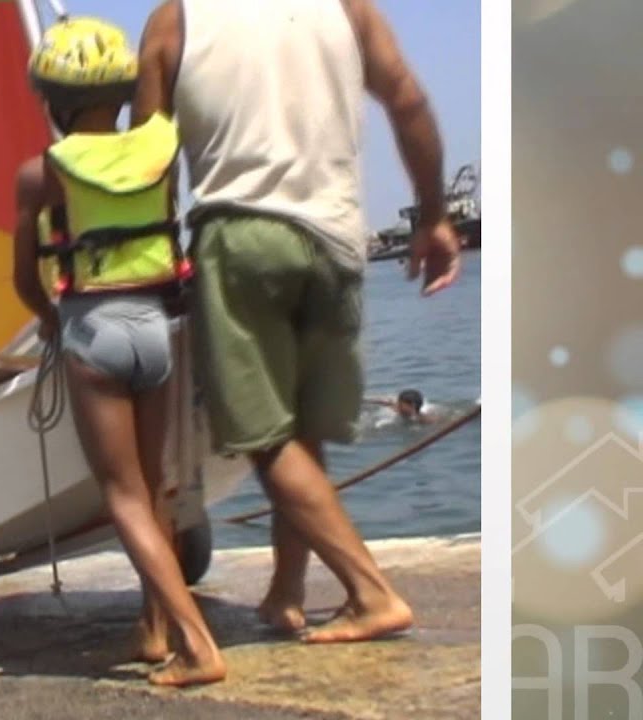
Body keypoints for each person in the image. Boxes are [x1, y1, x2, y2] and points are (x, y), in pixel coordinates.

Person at [132, 0, 462, 643]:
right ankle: (286, 592)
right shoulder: (347, 8)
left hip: (239, 237)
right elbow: (409, 102)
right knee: (301, 428)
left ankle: (371, 593)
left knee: (264, 435)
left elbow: (149, 159)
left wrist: (153, 260)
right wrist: (432, 216)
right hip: (336, 242)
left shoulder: (174, 21)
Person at [12, 17, 223, 687]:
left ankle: (195, 644)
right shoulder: (160, 147)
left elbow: (25, 281)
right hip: (158, 330)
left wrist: (52, 321)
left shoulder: (40, 173)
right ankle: (153, 628)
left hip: (93, 333)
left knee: (123, 497)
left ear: (54, 100)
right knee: (152, 489)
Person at [365, 389, 443, 424]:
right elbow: (388, 402)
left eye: (400, 404)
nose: (398, 405)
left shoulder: (424, 419)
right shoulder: (399, 409)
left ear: (412, 406)